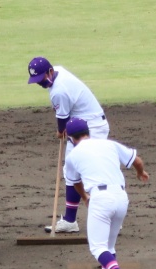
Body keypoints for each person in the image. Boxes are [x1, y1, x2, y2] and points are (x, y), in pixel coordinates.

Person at [62, 117, 148, 269]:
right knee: (109, 246)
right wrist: (140, 173)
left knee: (98, 247)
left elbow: (75, 182)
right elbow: (137, 161)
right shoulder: (109, 144)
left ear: (70, 137)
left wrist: (85, 197)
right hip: (121, 197)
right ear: (88, 132)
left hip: (101, 199)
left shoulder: (73, 156)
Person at [27, 57, 110, 234]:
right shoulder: (58, 71)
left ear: (50, 71)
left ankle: (106, 217)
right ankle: (70, 220)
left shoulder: (59, 91)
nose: (40, 83)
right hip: (85, 125)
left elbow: (62, 124)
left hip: (91, 128)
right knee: (72, 171)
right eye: (37, 80)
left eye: (42, 78)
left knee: (89, 171)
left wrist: (60, 132)